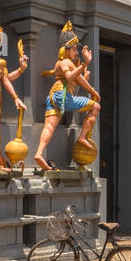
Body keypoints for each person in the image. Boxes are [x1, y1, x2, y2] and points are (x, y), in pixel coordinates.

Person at [34, 22, 100, 171]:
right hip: (63, 97)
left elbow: (79, 79)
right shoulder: (65, 62)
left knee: (50, 126)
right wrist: (85, 65)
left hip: (53, 96)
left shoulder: (65, 62)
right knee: (96, 106)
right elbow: (71, 77)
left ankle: (38, 153)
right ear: (66, 50)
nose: (76, 52)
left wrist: (91, 90)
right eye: (75, 49)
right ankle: (82, 136)